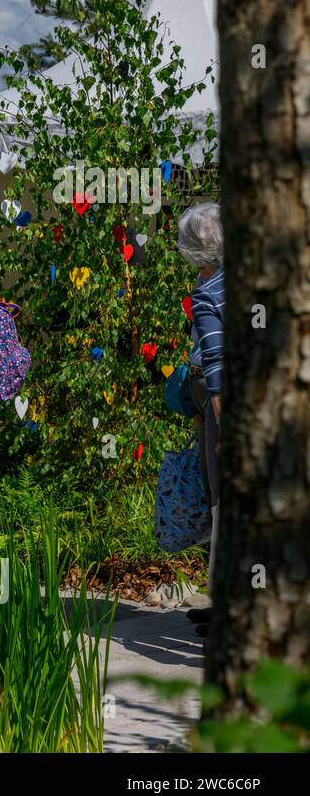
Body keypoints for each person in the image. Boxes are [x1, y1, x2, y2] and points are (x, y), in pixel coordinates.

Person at [176, 201, 223, 635]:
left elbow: (217, 366)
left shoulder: (209, 292)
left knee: (222, 504)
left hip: (219, 404)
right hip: (208, 402)